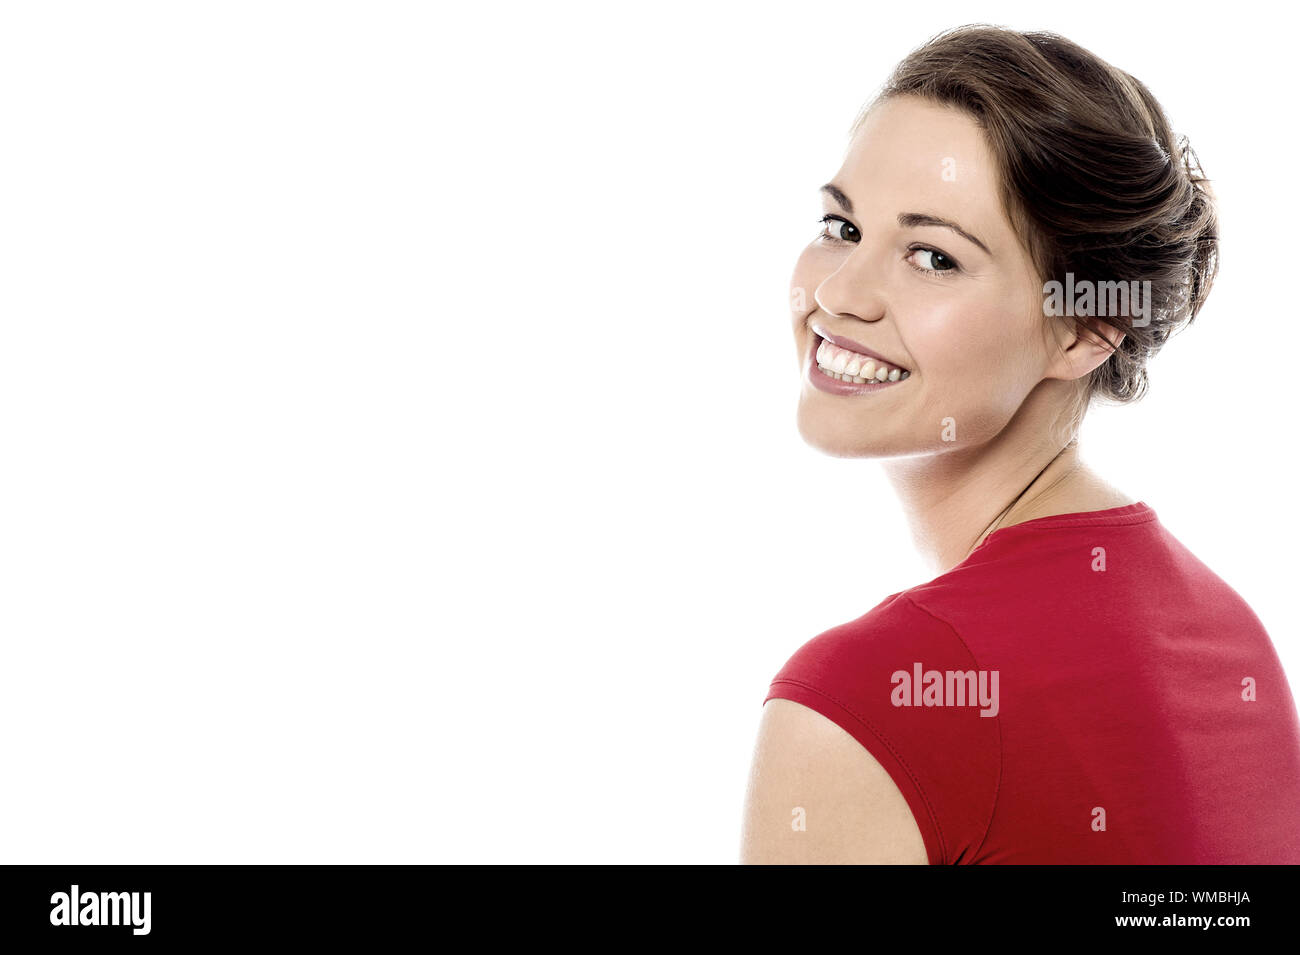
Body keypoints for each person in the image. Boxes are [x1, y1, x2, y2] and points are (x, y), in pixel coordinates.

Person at [739, 24, 1300, 864]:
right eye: (843, 227)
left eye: (933, 256)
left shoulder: (866, 702)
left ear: (1084, 327)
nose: (839, 293)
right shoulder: (1230, 639)